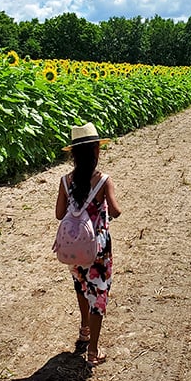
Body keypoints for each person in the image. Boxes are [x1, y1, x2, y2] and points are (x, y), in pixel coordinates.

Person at [55, 122, 121, 366]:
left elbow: (60, 213)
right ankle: (93, 350)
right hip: (98, 249)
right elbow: (116, 210)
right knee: (99, 294)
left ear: (73, 154)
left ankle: (84, 330)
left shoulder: (65, 181)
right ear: (96, 150)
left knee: (81, 286)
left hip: (74, 248)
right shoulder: (103, 180)